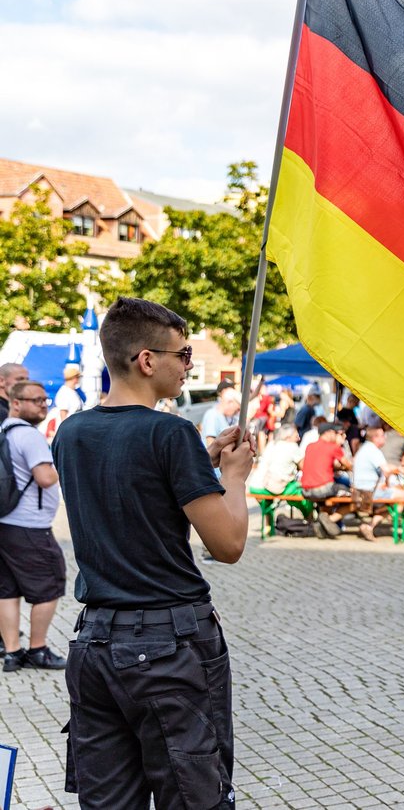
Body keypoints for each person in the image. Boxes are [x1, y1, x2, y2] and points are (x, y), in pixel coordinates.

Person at [54, 296, 253, 808]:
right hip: (168, 646)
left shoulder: (71, 432)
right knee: (192, 797)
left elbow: (131, 482)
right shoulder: (171, 432)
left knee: (108, 802)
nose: (188, 365)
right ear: (148, 360)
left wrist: (196, 462)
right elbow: (227, 545)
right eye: (183, 355)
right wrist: (233, 478)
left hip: (95, 642)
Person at [0, 380, 66, 672]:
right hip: (30, 525)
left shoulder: (3, 430)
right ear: (16, 402)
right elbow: (46, 478)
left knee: (7, 590)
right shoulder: (29, 436)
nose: (42, 405)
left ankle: (12, 653)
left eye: (44, 400)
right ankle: (38, 649)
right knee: (50, 585)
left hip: (5, 521)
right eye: (35, 400)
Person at [350, 425, 400, 541]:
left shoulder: (365, 448)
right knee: (403, 497)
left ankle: (374, 520)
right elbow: (386, 470)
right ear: (375, 438)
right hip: (368, 491)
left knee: (394, 498)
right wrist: (399, 469)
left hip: (360, 489)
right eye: (383, 435)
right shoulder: (373, 450)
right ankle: (370, 525)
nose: (385, 438)